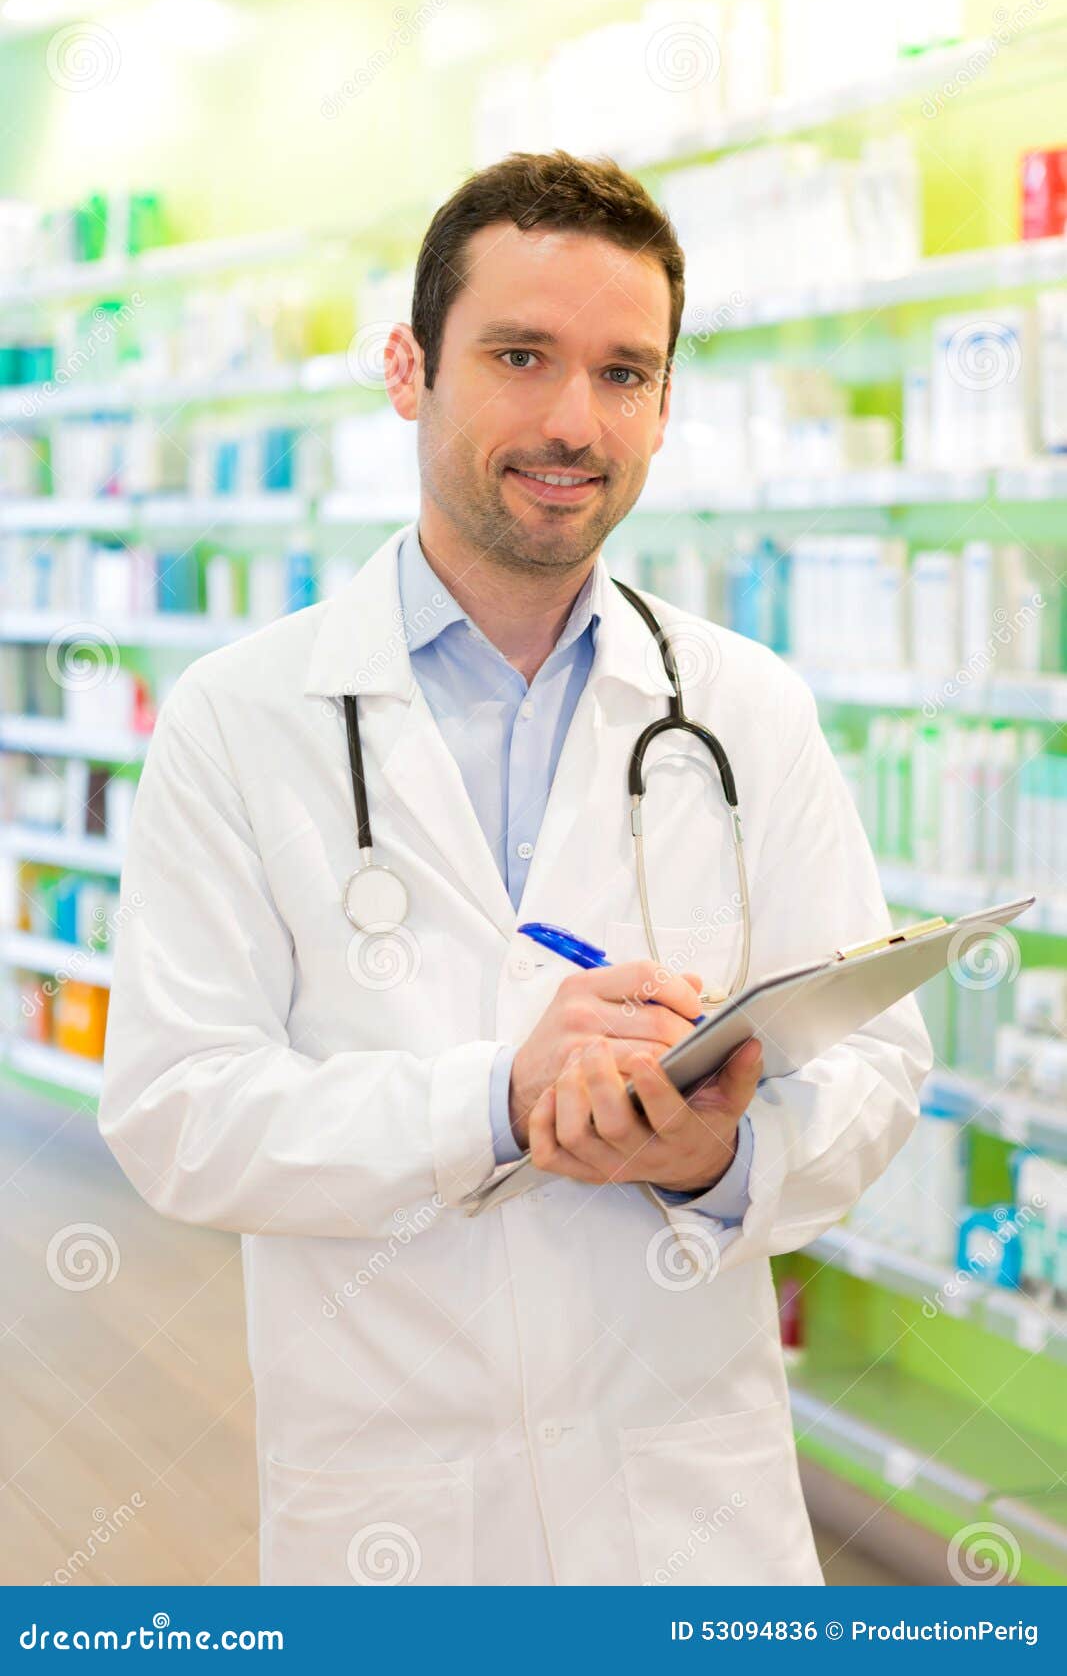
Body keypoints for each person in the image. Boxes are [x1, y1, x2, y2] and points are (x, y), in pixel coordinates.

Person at [98, 150, 932, 1587]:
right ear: (408, 367)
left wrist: (722, 1152)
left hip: (691, 1524)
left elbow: (878, 1067)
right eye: (521, 355)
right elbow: (176, 1110)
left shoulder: (746, 709)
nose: (571, 419)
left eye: (623, 372)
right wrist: (494, 1098)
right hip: (400, 1517)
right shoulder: (242, 721)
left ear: (666, 404)